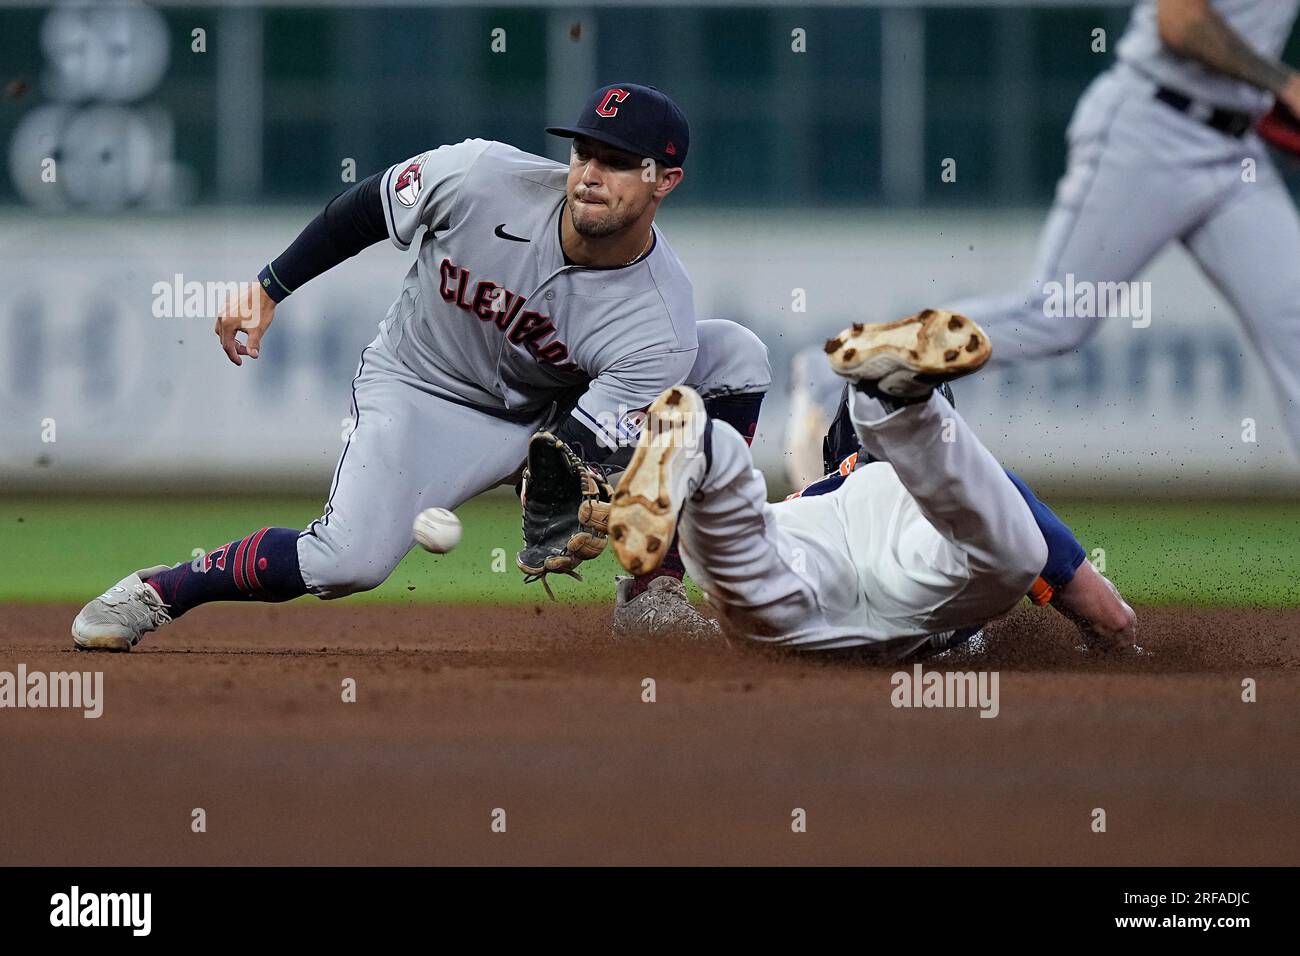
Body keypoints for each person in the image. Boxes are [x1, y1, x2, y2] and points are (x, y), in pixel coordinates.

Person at [71, 83, 770, 652]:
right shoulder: (480, 178)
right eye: (585, 152)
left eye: (617, 162)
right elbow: (364, 209)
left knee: (736, 355)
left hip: (551, 407)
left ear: (665, 180)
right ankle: (165, 589)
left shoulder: (657, 321)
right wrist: (270, 286)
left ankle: (654, 594)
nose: (589, 174)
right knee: (346, 564)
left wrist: (564, 481)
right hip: (421, 387)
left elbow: (586, 442)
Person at [607, 310, 1137, 657]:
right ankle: (901, 406)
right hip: (912, 552)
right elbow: (1109, 618)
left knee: (756, 580)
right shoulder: (976, 488)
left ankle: (702, 454)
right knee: (1008, 557)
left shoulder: (817, 491)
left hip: (810, 551)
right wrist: (1119, 654)